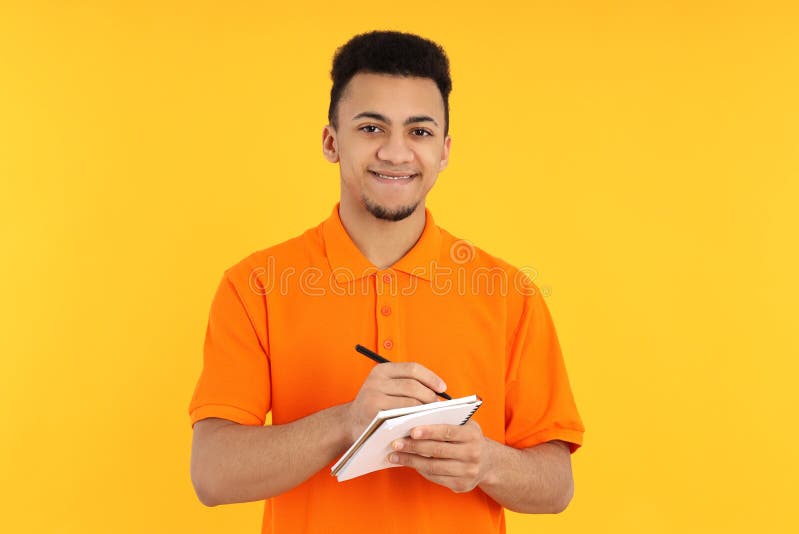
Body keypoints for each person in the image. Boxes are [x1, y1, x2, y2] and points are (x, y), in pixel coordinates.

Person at [189, 30, 584, 534]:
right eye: (372, 128)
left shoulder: (509, 293)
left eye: (419, 132)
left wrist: (487, 461)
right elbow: (212, 475)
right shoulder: (255, 286)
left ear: (444, 150)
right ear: (332, 142)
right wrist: (348, 422)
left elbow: (558, 487)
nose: (396, 153)